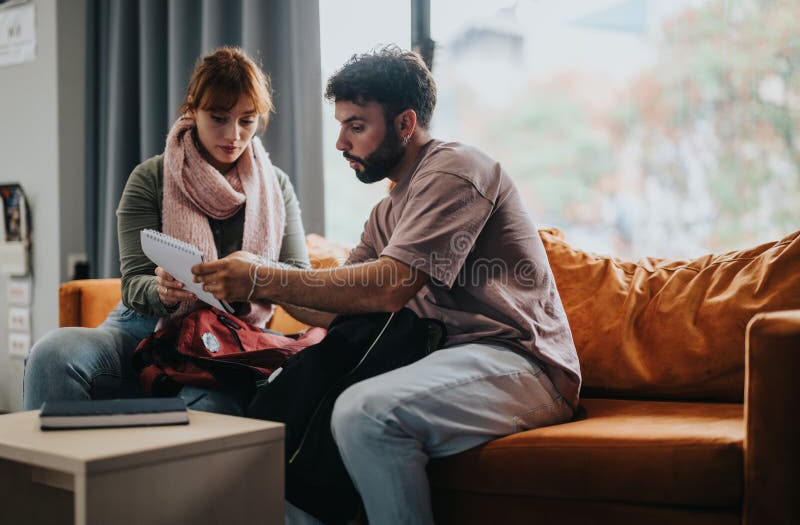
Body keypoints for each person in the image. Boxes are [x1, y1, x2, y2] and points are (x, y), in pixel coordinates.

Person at [193, 45, 582, 524]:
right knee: (291, 439)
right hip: (442, 360)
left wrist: (262, 275)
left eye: (356, 126)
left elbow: (389, 286)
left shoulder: (456, 170)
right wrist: (258, 284)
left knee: (366, 412)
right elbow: (341, 307)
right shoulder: (387, 211)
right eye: (340, 125)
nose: (340, 142)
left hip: (523, 363)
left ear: (404, 123)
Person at [24, 47, 309, 415]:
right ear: (192, 108)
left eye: (247, 120)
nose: (234, 135)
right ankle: (57, 473)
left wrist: (253, 277)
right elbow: (133, 285)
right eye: (219, 118)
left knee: (212, 405)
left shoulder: (277, 186)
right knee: (53, 353)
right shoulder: (151, 177)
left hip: (227, 341)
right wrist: (163, 292)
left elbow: (299, 277)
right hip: (142, 329)